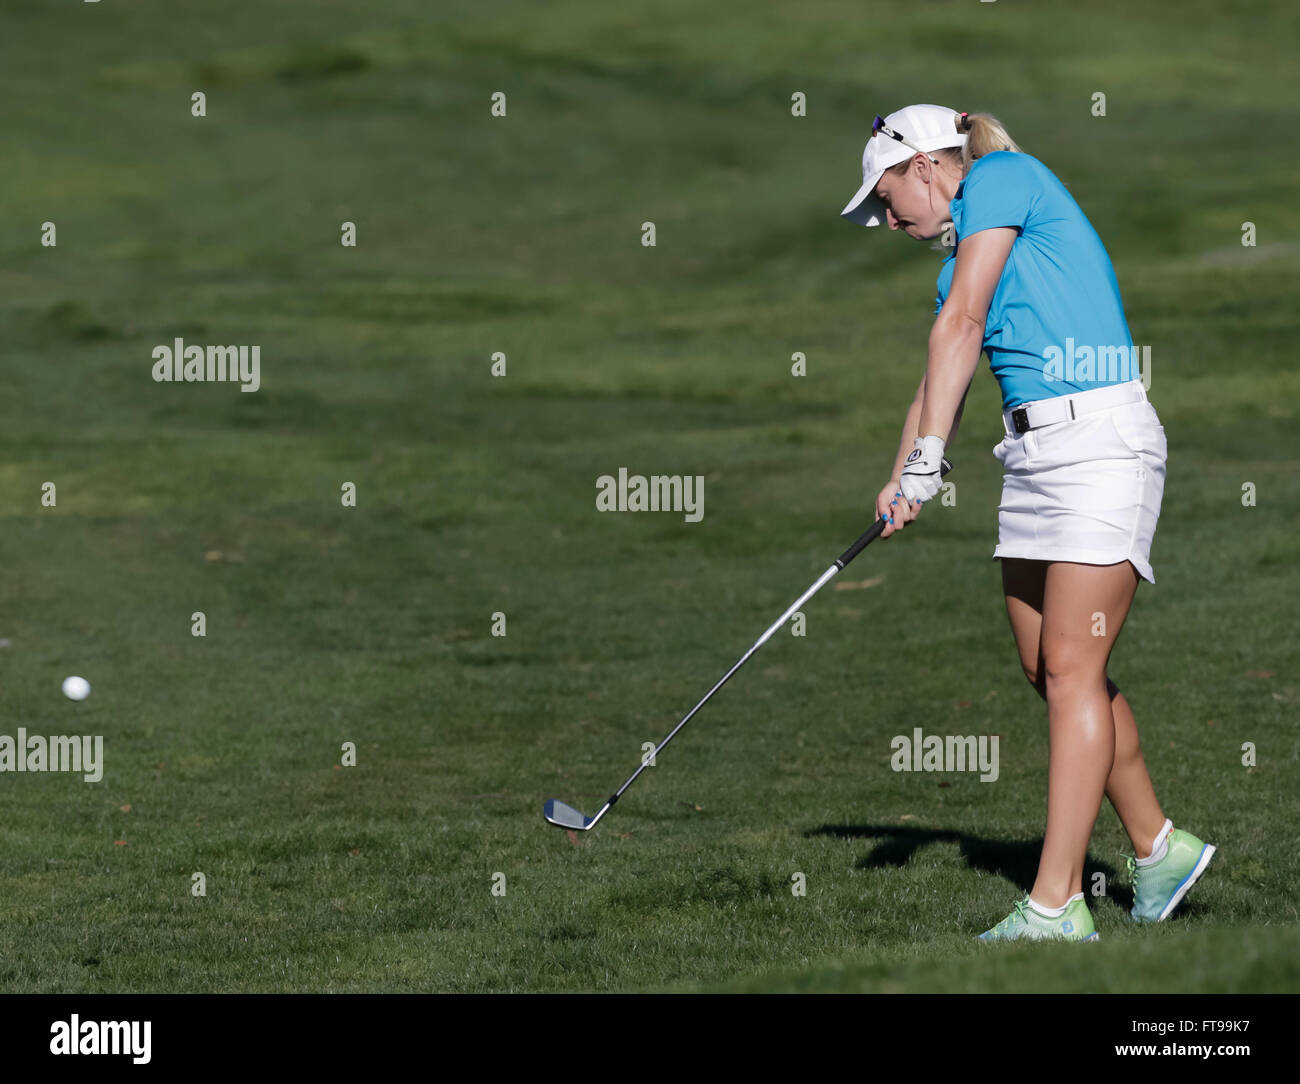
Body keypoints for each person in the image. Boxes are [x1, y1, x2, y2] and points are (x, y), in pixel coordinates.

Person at [840, 105, 1215, 941]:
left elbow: (963, 325)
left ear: (929, 164)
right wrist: (904, 475)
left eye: (888, 194)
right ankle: (1159, 849)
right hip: (1035, 464)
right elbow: (944, 364)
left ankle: (1056, 905)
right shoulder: (959, 271)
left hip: (1100, 449)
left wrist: (933, 459)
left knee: (1075, 670)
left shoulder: (1003, 177)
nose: (887, 218)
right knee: (1046, 668)